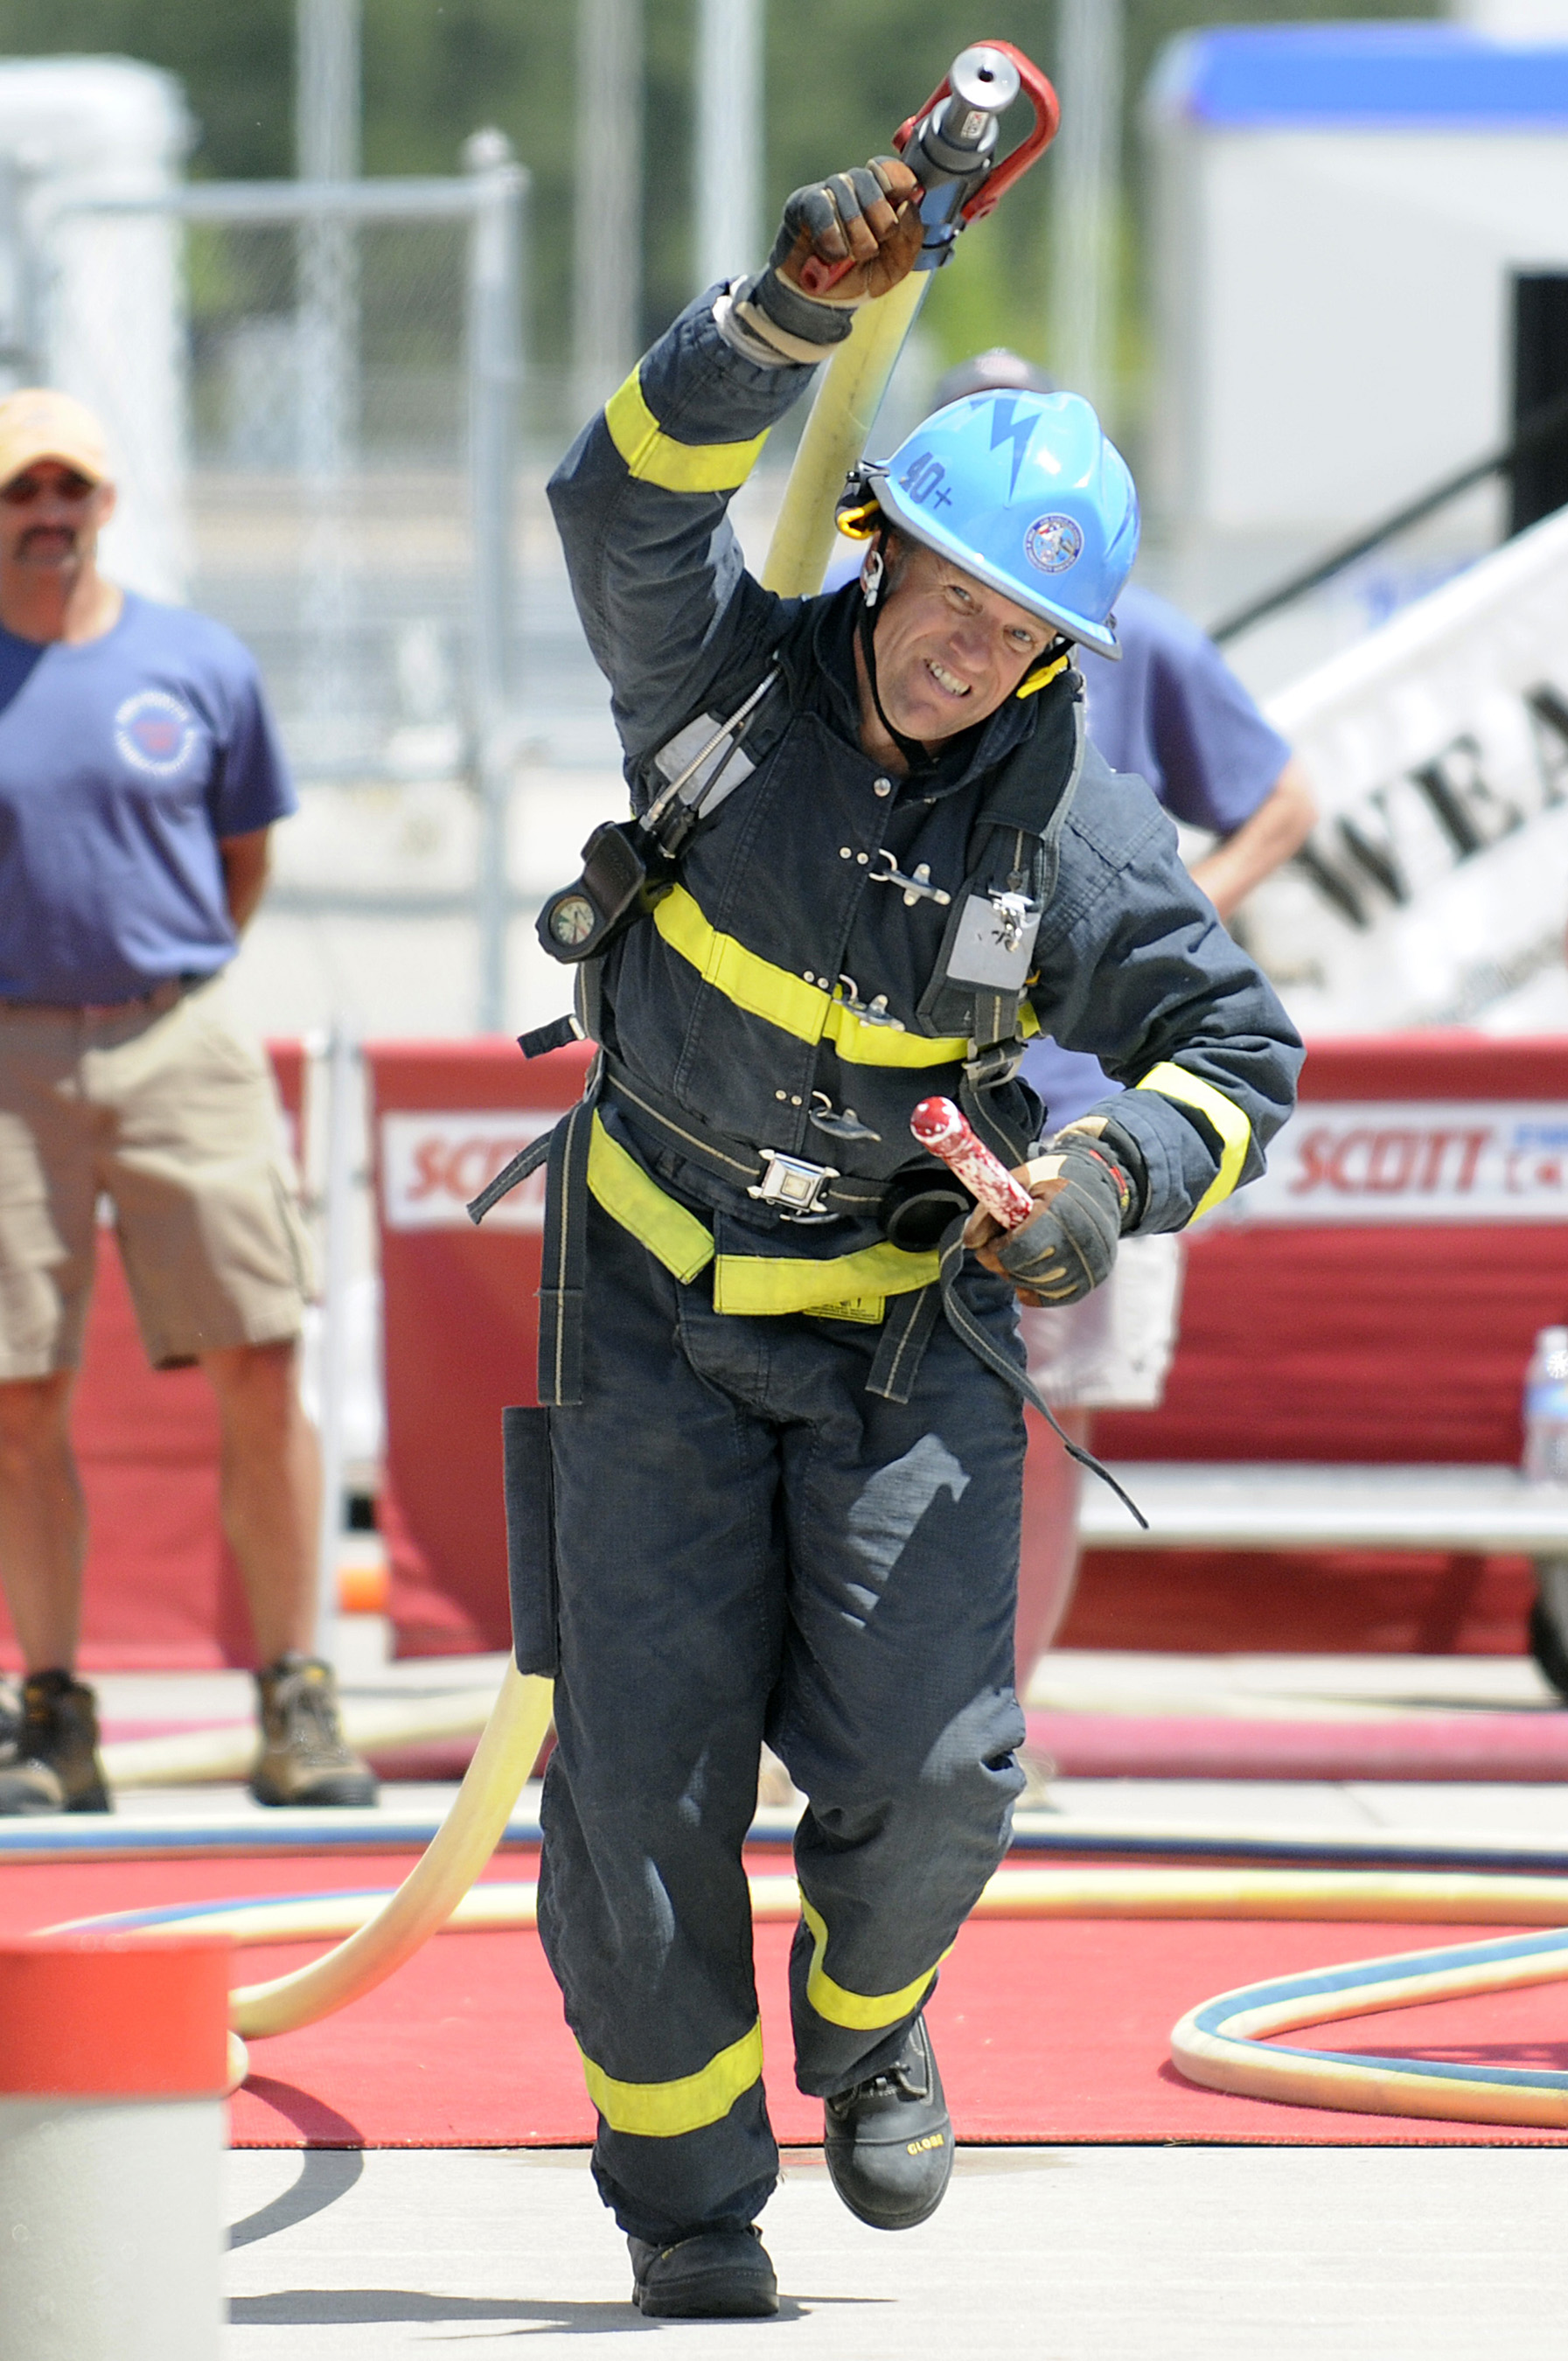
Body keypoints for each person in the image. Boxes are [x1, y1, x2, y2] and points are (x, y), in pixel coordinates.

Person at [519, 157, 1301, 2317]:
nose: (970, 651)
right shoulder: (721, 691)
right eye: (946, 593)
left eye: (1021, 627)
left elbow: (1239, 1047)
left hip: (897, 1352)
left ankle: (868, 2020)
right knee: (638, 1801)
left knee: (944, 1772)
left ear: (1070, 649)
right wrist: (774, 313)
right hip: (653, 1326)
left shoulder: (1076, 828)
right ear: (877, 555)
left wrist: (1106, 1189)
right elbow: (618, 508)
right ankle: (687, 2213)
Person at [900, 352, 1318, 1686]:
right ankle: (888, 1725)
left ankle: (995, 1707)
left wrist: (1163, 916)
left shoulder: (1148, 638)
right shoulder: (872, 649)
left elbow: (1284, 800)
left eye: (1022, 618)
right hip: (921, 1093)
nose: (985, 637)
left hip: (1083, 1102)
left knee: (1045, 1408)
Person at [0, 387, 376, 1816]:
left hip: (178, 1032)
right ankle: (52, 1713)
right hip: (7, 1058)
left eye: (69, 491)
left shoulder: (195, 664)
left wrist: (156, 976)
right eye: (20, 494)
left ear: (107, 504)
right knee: (17, 1391)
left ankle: (296, 1695)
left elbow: (240, 861)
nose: (48, 516)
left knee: (260, 1354)